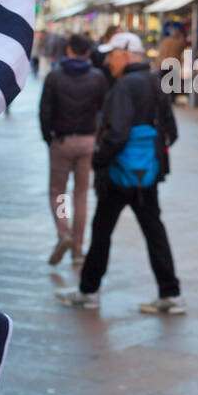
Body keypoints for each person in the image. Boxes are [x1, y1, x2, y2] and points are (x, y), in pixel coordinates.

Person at [55, 32, 184, 314]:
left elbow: (117, 134)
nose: (107, 60)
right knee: (154, 230)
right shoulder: (156, 83)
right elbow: (171, 133)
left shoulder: (124, 86)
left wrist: (100, 162)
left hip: (118, 175)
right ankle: (171, 293)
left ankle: (88, 291)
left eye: (111, 54)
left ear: (125, 54)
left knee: (102, 231)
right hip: (147, 176)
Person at [39, 33, 109, 270]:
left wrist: (48, 137)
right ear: (88, 52)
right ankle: (78, 250)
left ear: (69, 50)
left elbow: (44, 111)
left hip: (61, 140)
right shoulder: (98, 78)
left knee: (58, 191)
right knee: (81, 195)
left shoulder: (55, 76)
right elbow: (103, 110)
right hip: (88, 141)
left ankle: (63, 231)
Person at [157, 28, 187, 104]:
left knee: (163, 81)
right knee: (174, 83)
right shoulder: (180, 43)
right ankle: (172, 99)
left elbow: (160, 52)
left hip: (163, 63)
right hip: (174, 64)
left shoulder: (165, 41)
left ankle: (163, 98)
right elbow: (182, 54)